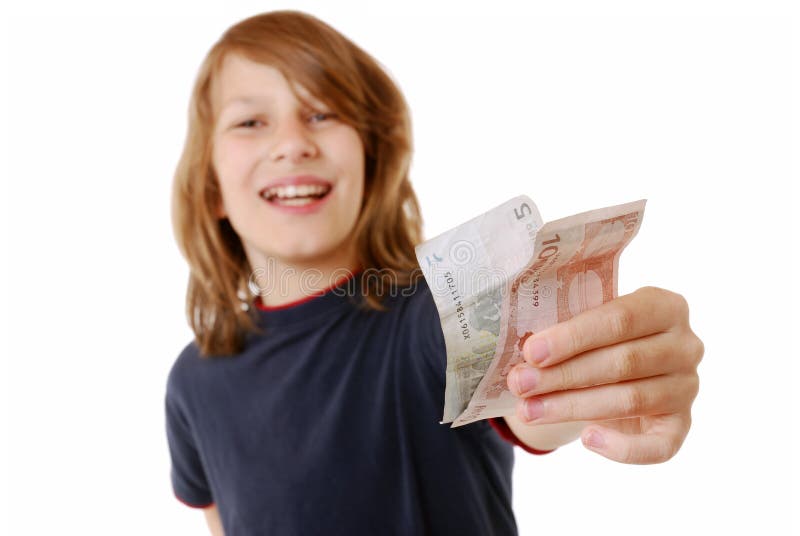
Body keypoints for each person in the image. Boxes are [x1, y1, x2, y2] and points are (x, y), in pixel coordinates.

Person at [165, 10, 704, 536]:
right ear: (211, 187)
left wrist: (614, 378)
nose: (291, 144)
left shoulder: (438, 319)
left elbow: (534, 402)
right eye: (250, 122)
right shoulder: (192, 382)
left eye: (323, 113)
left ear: (370, 161)